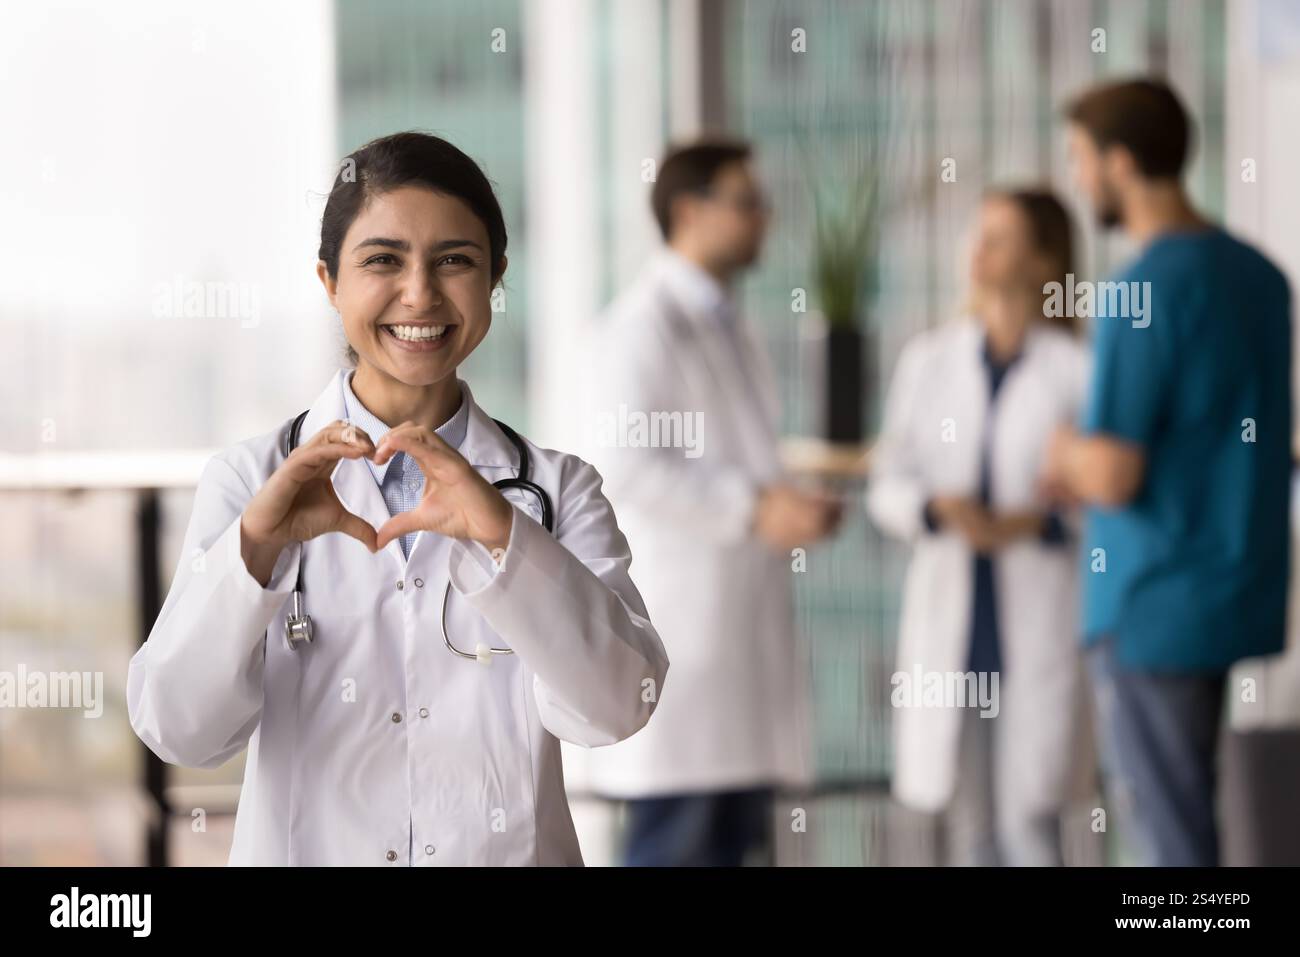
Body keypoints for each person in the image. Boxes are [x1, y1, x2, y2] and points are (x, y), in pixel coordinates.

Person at [127, 132, 669, 866]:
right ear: (330, 282)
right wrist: (253, 551)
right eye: (383, 260)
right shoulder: (249, 479)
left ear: (495, 277)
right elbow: (181, 728)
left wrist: (507, 539)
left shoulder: (557, 489)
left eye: (455, 260)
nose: (420, 293)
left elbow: (618, 704)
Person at [1043, 79, 1292, 866]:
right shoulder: (1261, 277)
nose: (1078, 180)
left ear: (1120, 163)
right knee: (1198, 818)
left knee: (1173, 843)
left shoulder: (1141, 289)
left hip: (1153, 601)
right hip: (1234, 590)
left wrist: (1062, 453)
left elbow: (1113, 472)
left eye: (1082, 159)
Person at [581, 139, 841, 866]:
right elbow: (624, 464)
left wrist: (780, 503)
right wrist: (755, 508)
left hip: (738, 649)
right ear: (691, 211)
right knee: (678, 843)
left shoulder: (732, 325)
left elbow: (731, 459)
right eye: (747, 201)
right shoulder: (638, 328)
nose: (765, 216)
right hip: (686, 648)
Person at [867, 189, 1094, 866]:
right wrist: (939, 509)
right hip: (956, 629)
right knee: (971, 832)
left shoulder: (1081, 370)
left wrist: (1042, 519)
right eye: (978, 234)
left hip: (1039, 618)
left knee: (1033, 826)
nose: (979, 250)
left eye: (999, 237)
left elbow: (1108, 500)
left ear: (1044, 259)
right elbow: (888, 482)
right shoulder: (931, 360)